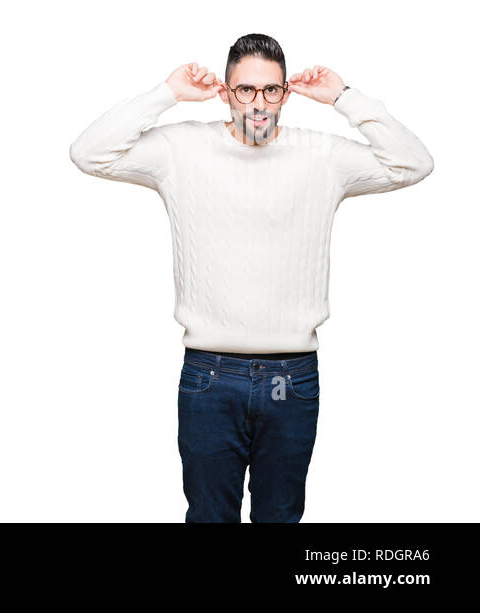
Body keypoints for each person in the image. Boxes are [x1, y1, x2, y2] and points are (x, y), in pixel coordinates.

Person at [69, 33, 432, 522]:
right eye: (245, 90)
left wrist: (346, 99)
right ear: (225, 91)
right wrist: (166, 93)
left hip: (293, 377)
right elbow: (89, 153)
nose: (258, 104)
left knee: (280, 517)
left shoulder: (321, 156)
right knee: (209, 517)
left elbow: (414, 163)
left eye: (270, 90)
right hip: (209, 376)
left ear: (286, 93)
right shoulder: (183, 148)